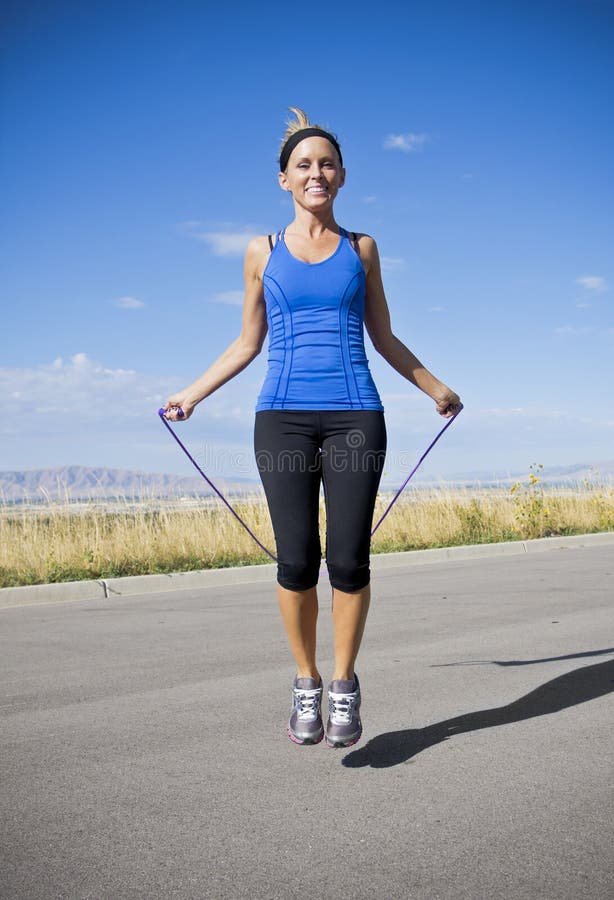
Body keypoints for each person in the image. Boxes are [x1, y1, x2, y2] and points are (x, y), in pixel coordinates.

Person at [163, 107, 462, 748]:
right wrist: (191, 394)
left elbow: (382, 336)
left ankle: (345, 684)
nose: (316, 173)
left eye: (326, 163)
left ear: (343, 176)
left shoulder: (362, 249)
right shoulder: (261, 252)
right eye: (304, 165)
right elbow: (247, 343)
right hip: (282, 419)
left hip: (356, 416)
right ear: (283, 180)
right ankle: (306, 680)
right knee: (297, 559)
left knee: (349, 560)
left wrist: (435, 386)